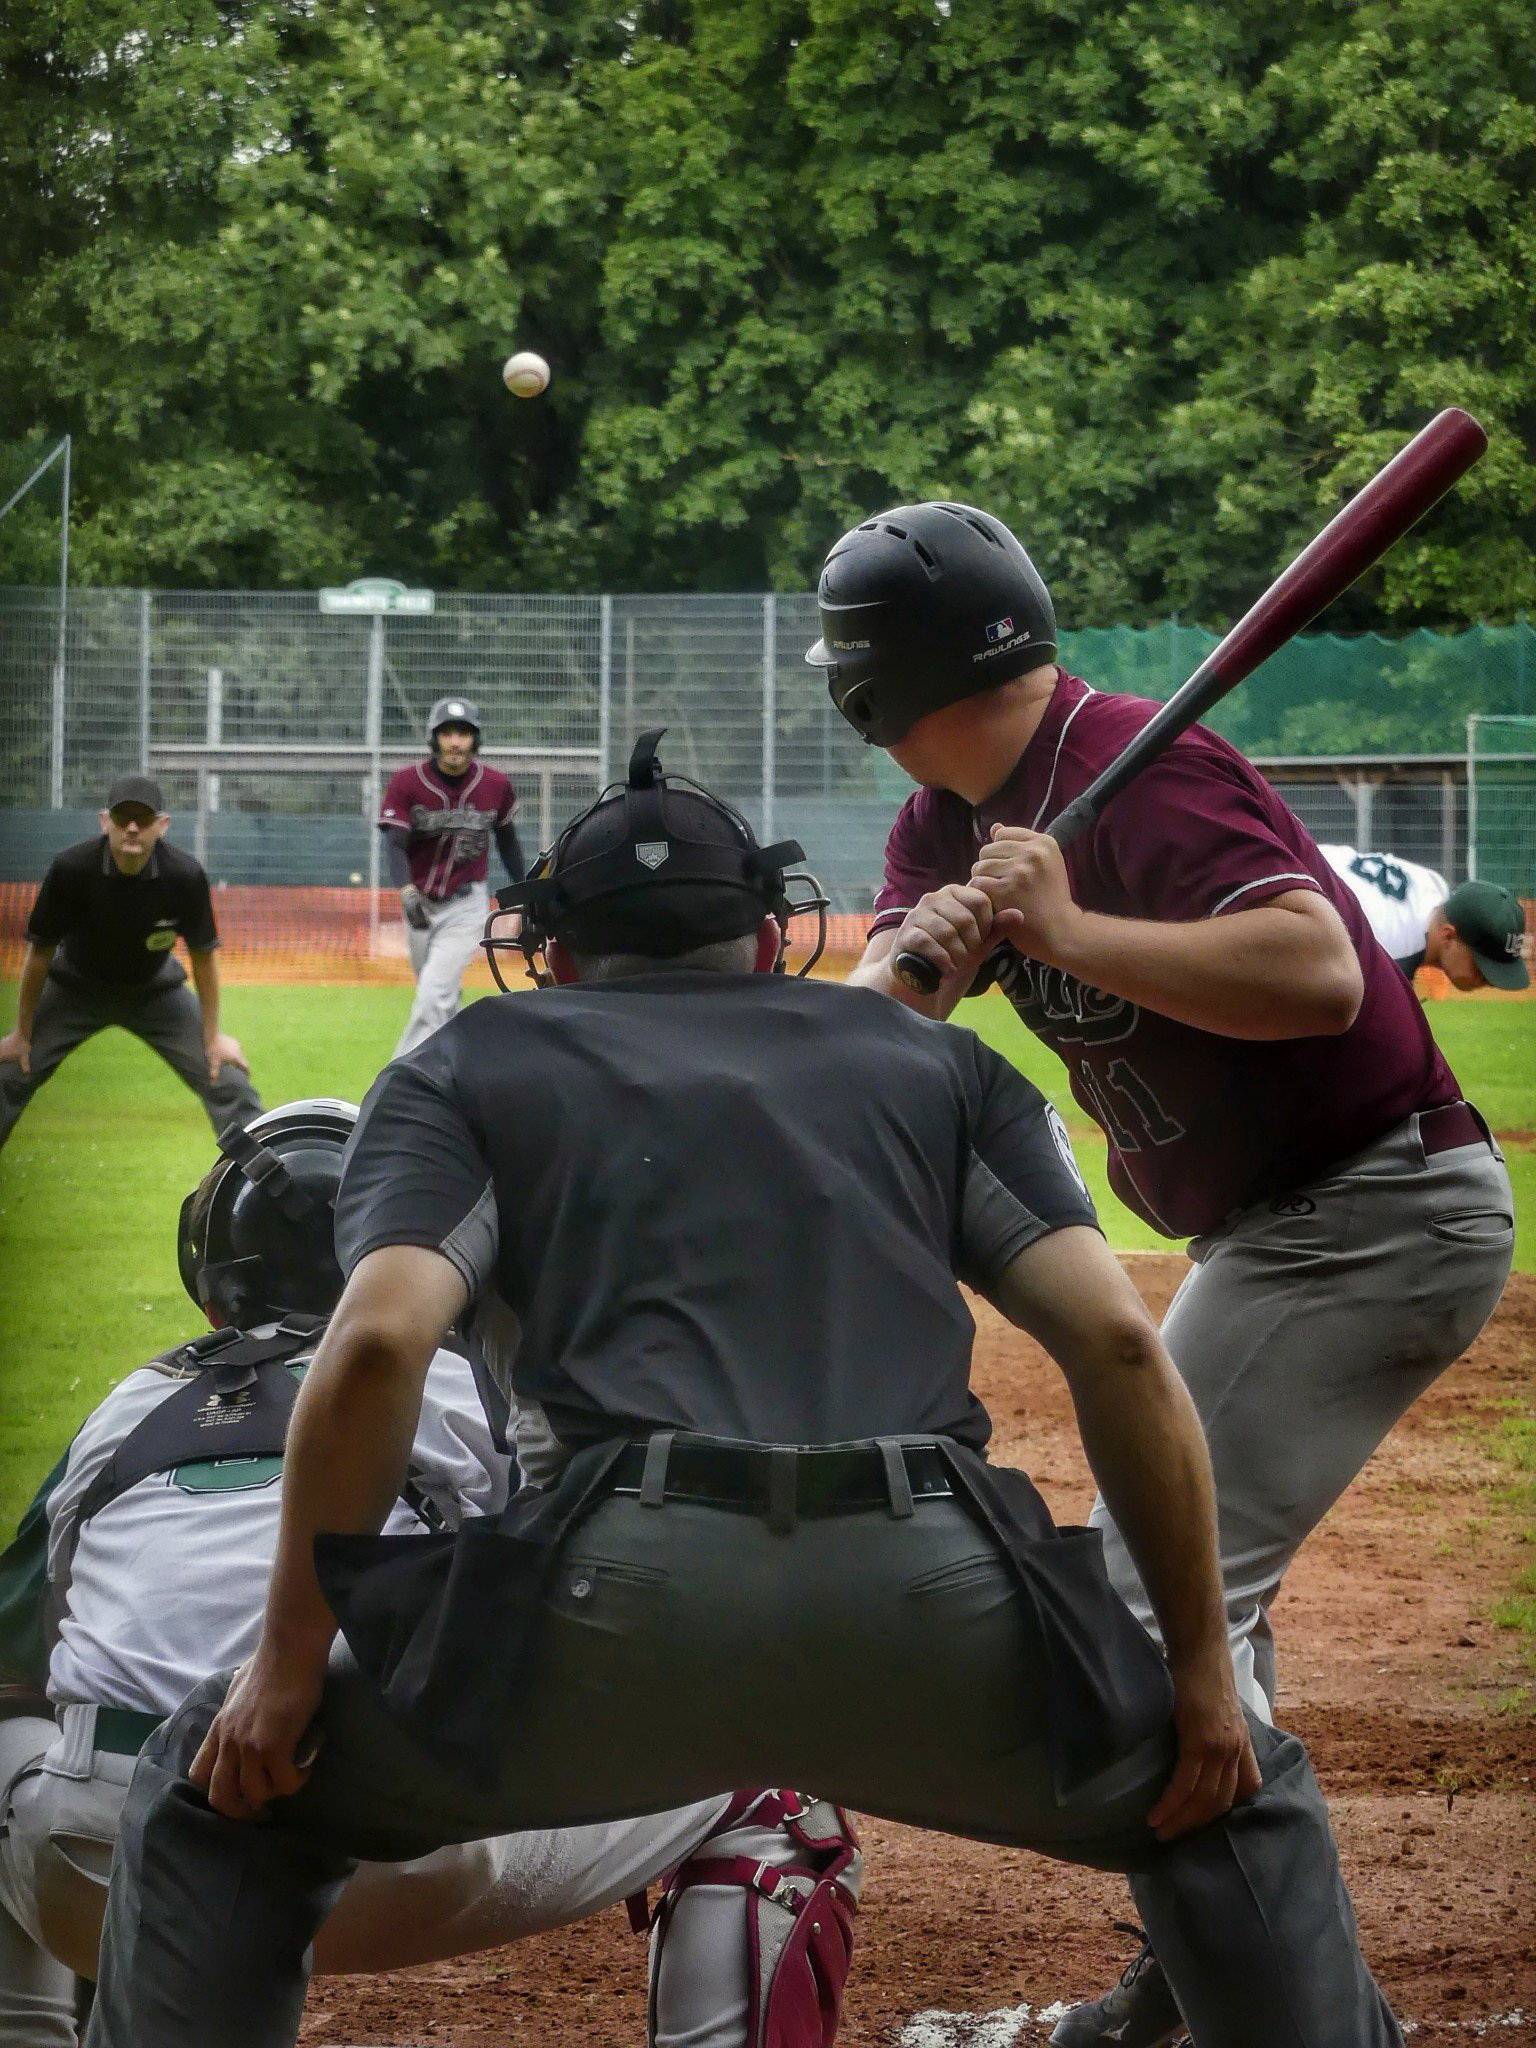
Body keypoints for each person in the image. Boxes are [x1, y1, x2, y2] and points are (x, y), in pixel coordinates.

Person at [86, 734, 1401, 2048]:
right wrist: (1198, 1684)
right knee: (1236, 1797)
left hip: (602, 1613)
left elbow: (375, 1350)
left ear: (552, 951)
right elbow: (1117, 1346)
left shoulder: (469, 1062)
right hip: (933, 1592)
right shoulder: (942, 1069)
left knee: (216, 1797)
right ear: (773, 937)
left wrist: (287, 1668)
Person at [807, 501, 1515, 2045]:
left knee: (1149, 1603)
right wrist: (915, 958)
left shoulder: (1150, 759)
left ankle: (1289, 2018)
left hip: (1376, 1206)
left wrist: (1069, 926)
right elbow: (868, 1034)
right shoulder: (945, 824)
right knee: (1194, 1606)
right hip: (1276, 1233)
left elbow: (1323, 980)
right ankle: (1196, 1997)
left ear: (874, 688)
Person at [0, 1098, 858, 2048]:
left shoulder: (122, 1413)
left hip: (100, 1868)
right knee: (772, 1782)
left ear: (210, 1295)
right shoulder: (460, 1383)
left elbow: (16, 1671)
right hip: (386, 1858)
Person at [0, 775, 261, 1152]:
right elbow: (39, 954)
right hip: (74, 989)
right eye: (124, 819)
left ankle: (269, 1185)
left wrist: (213, 1038)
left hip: (155, 991)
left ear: (163, 825)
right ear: (105, 821)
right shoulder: (71, 869)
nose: (133, 828)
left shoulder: (184, 876)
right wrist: (21, 1035)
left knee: (228, 1081)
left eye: (144, 819)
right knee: (9, 1074)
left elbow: (204, 959)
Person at [379, 696, 526, 1056]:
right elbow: (394, 844)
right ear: (435, 739)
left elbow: (508, 842)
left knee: (433, 995)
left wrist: (525, 894)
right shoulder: (407, 782)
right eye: (448, 733)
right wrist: (407, 891)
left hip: (466, 904)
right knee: (438, 999)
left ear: (475, 740)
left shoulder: (495, 785)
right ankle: (468, 1058)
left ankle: (399, 1074)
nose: (456, 741)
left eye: (463, 733)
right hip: (421, 905)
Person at [1318, 846, 1529, 991]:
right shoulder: (1393, 951)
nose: (1490, 982)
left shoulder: (1434, 886)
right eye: (1482, 968)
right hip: (1296, 884)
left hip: (1315, 859)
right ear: (1447, 936)